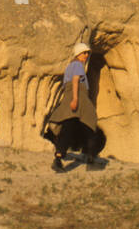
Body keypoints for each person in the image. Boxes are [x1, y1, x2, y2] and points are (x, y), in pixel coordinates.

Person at [42, 42, 105, 172]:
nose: (86, 55)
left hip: (70, 96)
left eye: (87, 53)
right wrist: (76, 99)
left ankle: (58, 159)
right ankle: (91, 159)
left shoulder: (70, 66)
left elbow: (67, 84)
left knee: (68, 126)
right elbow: (76, 80)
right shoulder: (78, 65)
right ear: (78, 54)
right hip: (79, 97)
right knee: (91, 123)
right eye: (84, 53)